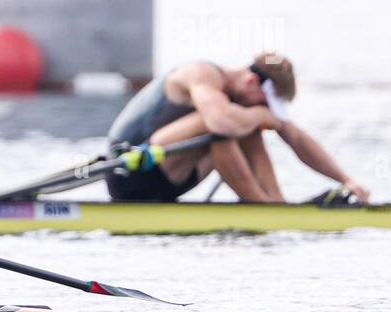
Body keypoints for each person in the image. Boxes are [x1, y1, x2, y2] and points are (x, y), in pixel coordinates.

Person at [105, 53, 370, 204]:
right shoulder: (202, 74)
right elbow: (220, 123)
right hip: (129, 171)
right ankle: (262, 209)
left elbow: (297, 139)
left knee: (247, 126)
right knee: (227, 124)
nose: (264, 111)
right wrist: (259, 114)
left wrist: (346, 180)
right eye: (264, 103)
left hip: (170, 177)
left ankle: (276, 204)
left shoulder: (242, 103)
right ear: (252, 80)